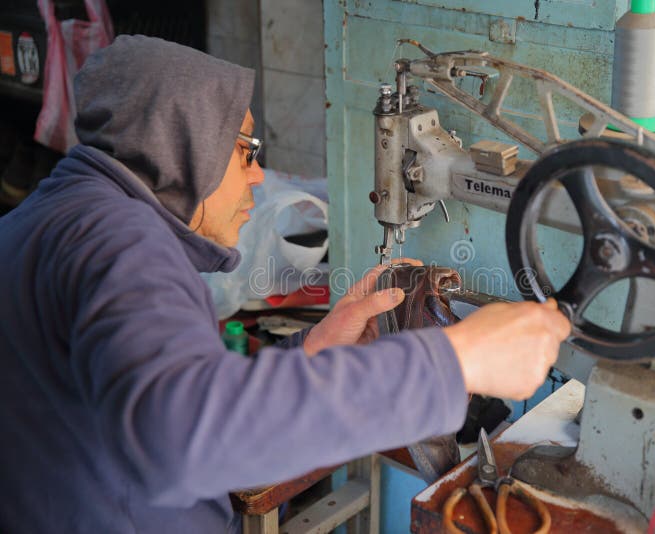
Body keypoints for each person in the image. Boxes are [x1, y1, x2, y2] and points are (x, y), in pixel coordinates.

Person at [0, 35, 570, 533]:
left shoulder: (49, 218)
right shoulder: (119, 243)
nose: (258, 176)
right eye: (246, 150)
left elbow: (166, 400)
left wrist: (313, 350)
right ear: (184, 141)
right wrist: (454, 360)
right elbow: (179, 436)